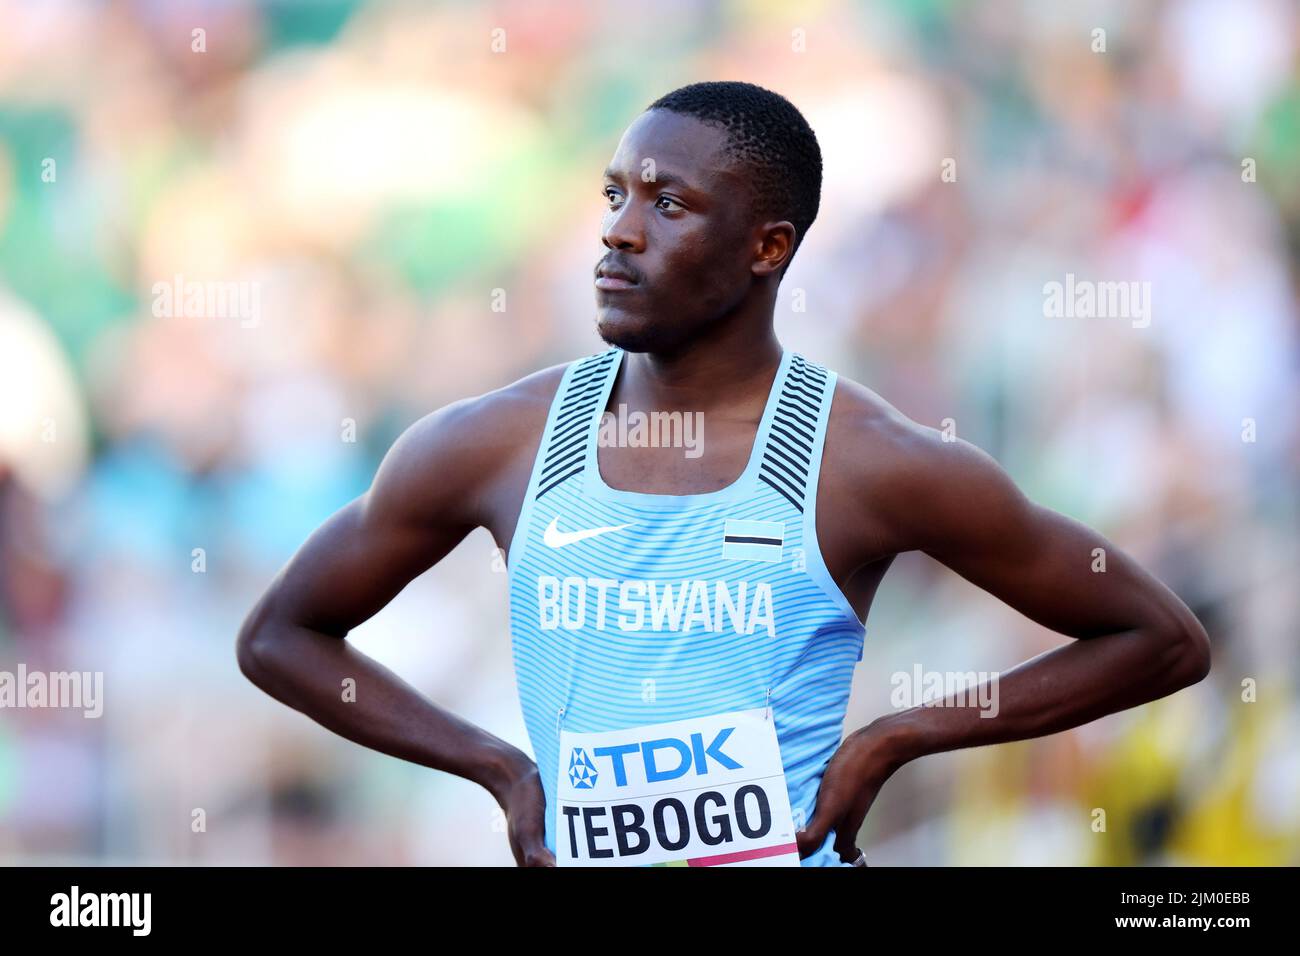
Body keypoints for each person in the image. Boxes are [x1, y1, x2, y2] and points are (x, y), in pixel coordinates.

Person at [236, 80, 1211, 867]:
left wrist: (897, 736)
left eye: (668, 204)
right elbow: (282, 635)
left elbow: (1158, 637)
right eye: (614, 194)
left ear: (766, 247)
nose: (620, 230)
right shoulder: (498, 442)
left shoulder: (866, 462)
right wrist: (497, 767)